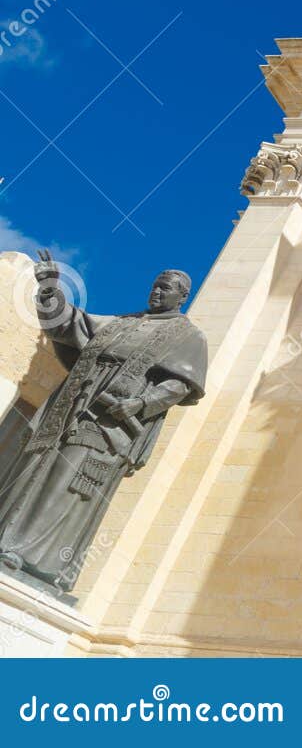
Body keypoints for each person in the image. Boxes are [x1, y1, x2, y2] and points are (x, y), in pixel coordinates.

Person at [0, 254, 206, 593]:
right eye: (155, 285)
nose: (156, 292)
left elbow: (180, 385)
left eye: (165, 288)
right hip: (69, 408)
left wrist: (138, 403)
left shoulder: (188, 336)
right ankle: (7, 540)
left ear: (181, 297)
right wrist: (51, 288)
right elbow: (72, 327)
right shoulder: (122, 322)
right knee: (37, 465)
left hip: (107, 425)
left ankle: (29, 556)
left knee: (64, 482)